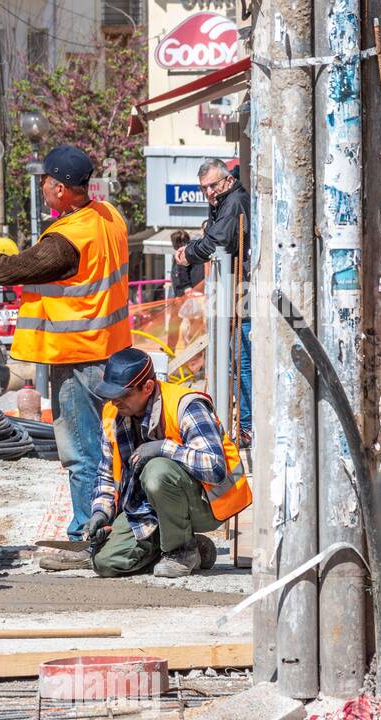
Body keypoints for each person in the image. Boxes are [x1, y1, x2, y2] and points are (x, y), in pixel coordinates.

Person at [0, 145, 131, 567]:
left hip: (78, 354)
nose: (42, 185)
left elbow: (8, 270)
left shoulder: (66, 241)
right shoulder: (109, 216)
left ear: (60, 189)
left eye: (45, 180)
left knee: (82, 451)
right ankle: (112, 525)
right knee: (109, 444)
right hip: (110, 349)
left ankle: (87, 535)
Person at [84, 348, 252, 578]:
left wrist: (164, 448)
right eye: (111, 395)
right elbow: (105, 475)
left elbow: (215, 467)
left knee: (157, 471)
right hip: (147, 506)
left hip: (207, 505)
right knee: (104, 563)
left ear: (148, 388)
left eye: (123, 395)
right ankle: (192, 547)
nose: (115, 401)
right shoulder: (113, 414)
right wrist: (101, 513)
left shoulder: (186, 406)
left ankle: (181, 551)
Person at [174, 158, 251, 445]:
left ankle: (247, 426)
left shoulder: (233, 202)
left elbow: (216, 242)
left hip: (245, 291)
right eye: (204, 188)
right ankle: (242, 424)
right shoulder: (223, 201)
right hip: (236, 291)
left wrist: (188, 253)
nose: (209, 192)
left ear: (228, 181)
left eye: (213, 186)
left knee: (240, 360)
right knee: (233, 358)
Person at [169, 229, 204, 297]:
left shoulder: (185, 253)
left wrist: (186, 286)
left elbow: (183, 270)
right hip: (187, 290)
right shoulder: (191, 250)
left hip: (189, 291)